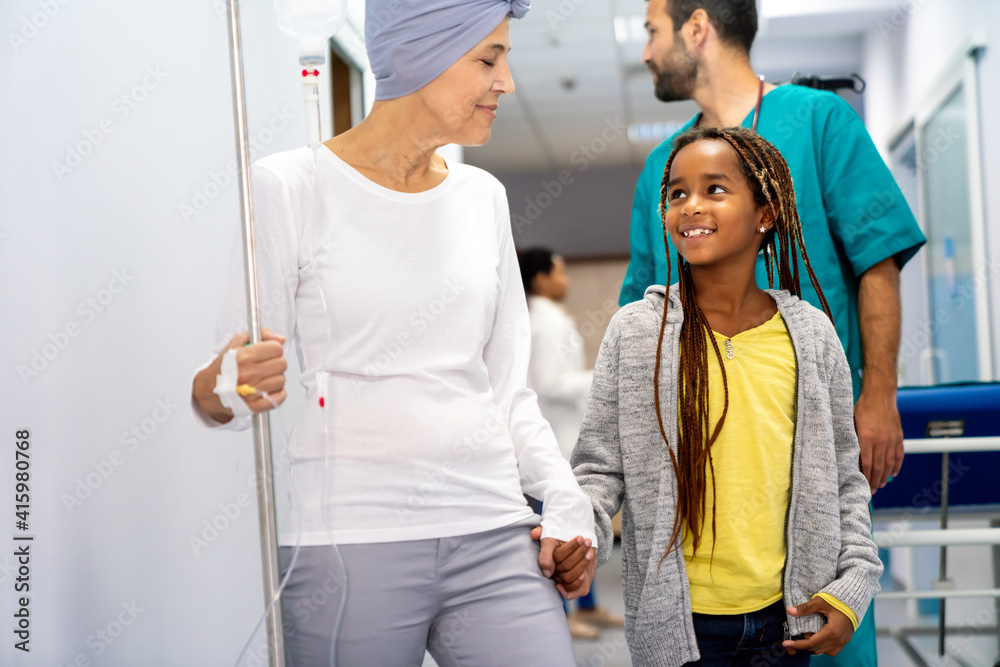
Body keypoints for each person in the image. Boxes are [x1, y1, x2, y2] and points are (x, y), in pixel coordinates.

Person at [190, 1, 598, 665]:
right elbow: (221, 393)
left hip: (493, 528)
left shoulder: (481, 197)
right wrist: (226, 384)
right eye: (488, 60)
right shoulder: (288, 185)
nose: (507, 83)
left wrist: (562, 497)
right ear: (418, 54)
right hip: (349, 541)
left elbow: (509, 392)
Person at [620, 3, 924, 662]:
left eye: (652, 32)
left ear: (696, 28)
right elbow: (643, 314)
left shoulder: (819, 123)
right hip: (703, 465)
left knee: (824, 620)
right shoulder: (662, 173)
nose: (644, 52)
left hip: (811, 436)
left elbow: (877, 258)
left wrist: (878, 394)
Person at [557, 126, 883, 666]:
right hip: (679, 626)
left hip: (788, 620)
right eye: (677, 193)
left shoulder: (811, 333)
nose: (690, 206)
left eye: (715, 189)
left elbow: (844, 478)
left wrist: (852, 590)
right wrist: (579, 534)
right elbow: (598, 469)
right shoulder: (640, 331)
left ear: (766, 213)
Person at [518, 247, 624, 639]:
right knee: (559, 529)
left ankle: (589, 607)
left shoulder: (547, 318)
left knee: (579, 523)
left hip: (566, 433)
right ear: (542, 278)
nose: (566, 279)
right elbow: (549, 384)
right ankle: (562, 616)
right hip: (555, 438)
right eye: (560, 272)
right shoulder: (543, 323)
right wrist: (601, 378)